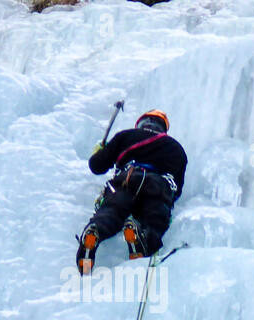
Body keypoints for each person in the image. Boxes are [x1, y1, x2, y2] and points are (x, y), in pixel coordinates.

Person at [76, 109, 188, 275]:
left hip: (126, 179)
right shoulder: (175, 148)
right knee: (154, 220)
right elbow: (176, 189)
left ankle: (96, 230)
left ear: (141, 123)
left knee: (112, 211)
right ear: (163, 128)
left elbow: (97, 166)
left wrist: (99, 151)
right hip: (158, 186)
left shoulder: (125, 136)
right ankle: (142, 238)